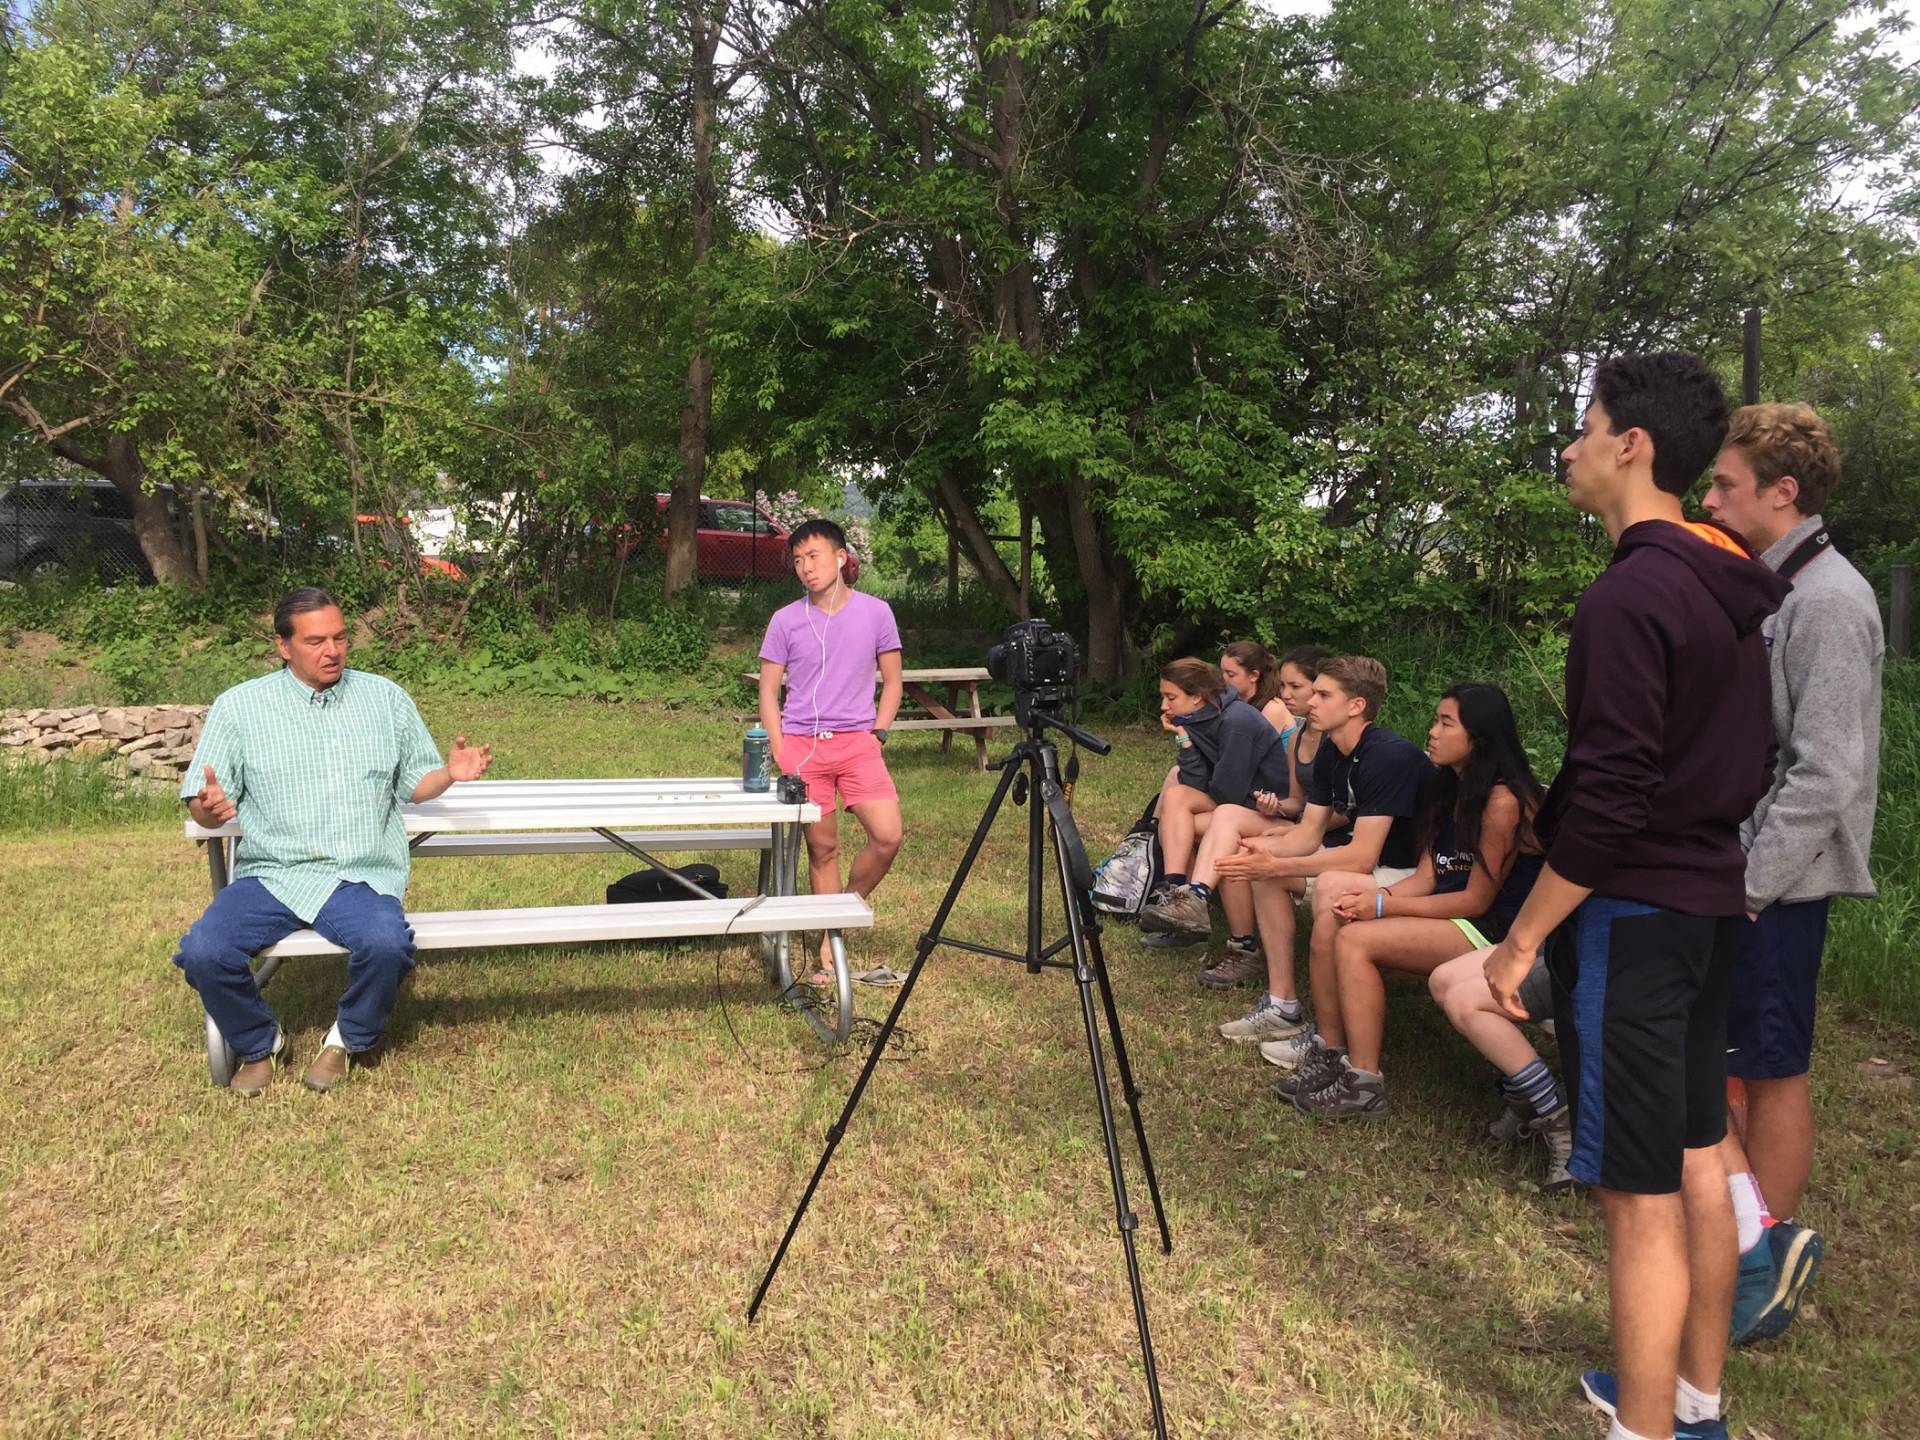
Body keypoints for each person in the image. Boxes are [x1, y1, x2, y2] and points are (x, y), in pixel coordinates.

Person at [1480, 353, 1788, 1440]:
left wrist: (1519, 942)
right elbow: (1746, 762)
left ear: (1632, 445)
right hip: (1710, 902)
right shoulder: (1726, 587)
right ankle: (1693, 1397)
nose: (1568, 445)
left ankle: (1646, 1428)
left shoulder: (1632, 592)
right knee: (1700, 1151)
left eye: (1585, 423)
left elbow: (1608, 802)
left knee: (1639, 1192)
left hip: (1637, 916)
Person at [1701, 402, 1884, 1344]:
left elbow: (1826, 771)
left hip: (1781, 881)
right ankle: (1750, 1244)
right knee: (1740, 1059)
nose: (1711, 497)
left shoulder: (1829, 601)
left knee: (1770, 1067)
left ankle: (1757, 1267)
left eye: (1727, 485)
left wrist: (1745, 885)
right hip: (1754, 871)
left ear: (1784, 492)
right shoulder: (1777, 586)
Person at [176, 587, 495, 1095]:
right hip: (273, 873)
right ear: (283, 646)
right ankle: (260, 1043)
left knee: (386, 945)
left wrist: (449, 775)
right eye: (316, 641)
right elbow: (202, 801)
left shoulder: (384, 699)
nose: (332, 651)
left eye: (341, 637)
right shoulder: (240, 708)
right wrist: (207, 808)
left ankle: (346, 1039)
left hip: (358, 872)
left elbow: (415, 784)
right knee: (205, 951)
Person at [1290, 683, 1547, 1123]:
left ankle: (1364, 1084)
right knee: (1338, 915)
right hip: (1456, 913)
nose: (1431, 732)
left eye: (1446, 723)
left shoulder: (1502, 801)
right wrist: (1374, 897)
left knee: (1356, 941)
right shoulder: (1446, 787)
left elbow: (1475, 900)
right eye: (1435, 719)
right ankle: (1331, 1051)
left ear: (1480, 736)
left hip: (1495, 928)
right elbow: (1429, 877)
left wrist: (1382, 908)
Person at [1209, 656, 1431, 1067]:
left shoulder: (1388, 755)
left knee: (1323, 886)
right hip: (1367, 864)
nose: (1311, 700)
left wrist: (1278, 865)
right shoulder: (1333, 752)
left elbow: (1362, 856)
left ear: (1357, 705)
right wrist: (1264, 855)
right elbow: (1309, 834)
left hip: (1409, 874)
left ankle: (1329, 1040)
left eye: (1324, 694)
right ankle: (1283, 1005)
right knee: (1262, 869)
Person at [758, 519, 905, 984]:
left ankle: (840, 912)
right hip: (803, 750)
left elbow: (894, 680)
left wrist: (877, 732)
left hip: (859, 745)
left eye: (814, 556)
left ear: (841, 557)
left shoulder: (877, 613)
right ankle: (829, 945)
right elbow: (767, 694)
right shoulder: (785, 620)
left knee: (887, 837)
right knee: (823, 849)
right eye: (798, 561)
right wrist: (782, 750)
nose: (805, 568)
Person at [1137, 658, 1292, 943]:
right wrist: (1183, 739)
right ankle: (1176, 895)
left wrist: (1189, 746)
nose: (1163, 706)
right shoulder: (1197, 718)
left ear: (1197, 696)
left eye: (1171, 697)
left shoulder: (1236, 722)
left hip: (1268, 811)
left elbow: (1227, 794)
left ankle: (1187, 907)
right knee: (1177, 796)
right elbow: (1196, 783)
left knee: (1185, 825)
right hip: (1234, 804)